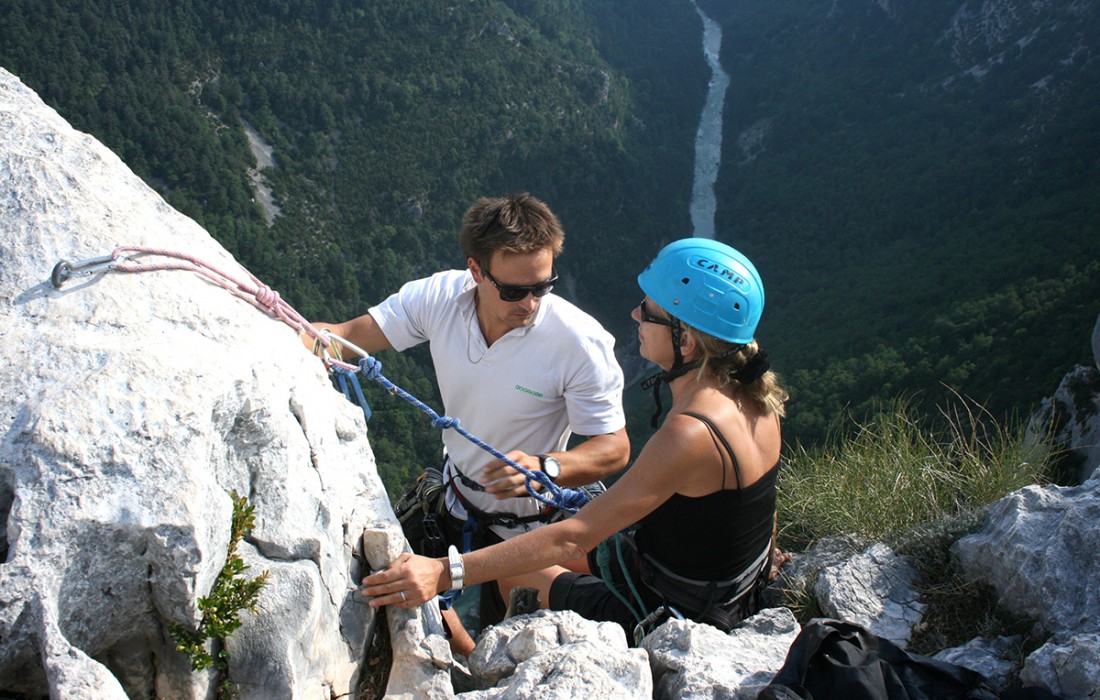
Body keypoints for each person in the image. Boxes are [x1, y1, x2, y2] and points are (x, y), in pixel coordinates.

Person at [361, 238, 789, 643]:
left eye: (649, 310)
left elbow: (573, 537)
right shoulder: (755, 398)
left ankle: (475, 666)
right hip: (719, 586)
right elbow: (754, 514)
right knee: (528, 556)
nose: (636, 315)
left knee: (514, 573)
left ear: (687, 340)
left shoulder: (690, 432)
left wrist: (441, 572)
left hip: (673, 611)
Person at [305, 193, 630, 652]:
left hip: (535, 521)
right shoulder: (440, 298)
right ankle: (462, 658)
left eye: (543, 286)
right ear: (475, 271)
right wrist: (291, 336)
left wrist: (546, 467)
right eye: (515, 290)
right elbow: (347, 337)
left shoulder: (578, 342)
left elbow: (614, 447)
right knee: (390, 592)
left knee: (511, 644)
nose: (531, 303)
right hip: (459, 498)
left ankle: (478, 666)